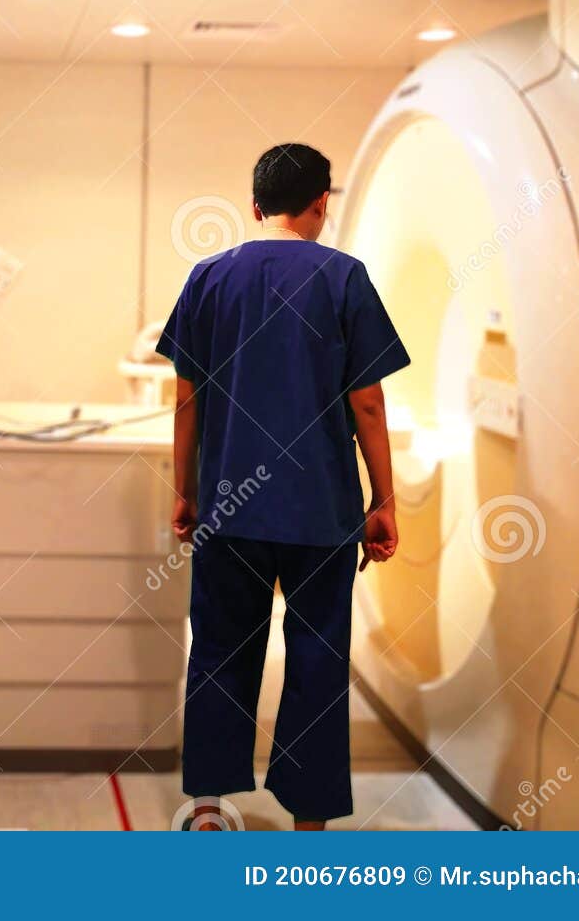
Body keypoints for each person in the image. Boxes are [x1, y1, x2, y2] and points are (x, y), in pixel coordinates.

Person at [155, 143, 408, 831]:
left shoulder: (209, 278)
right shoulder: (344, 277)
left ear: (254, 204)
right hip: (322, 513)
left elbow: (186, 401)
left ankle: (207, 806)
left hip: (229, 507)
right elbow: (368, 406)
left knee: (218, 650)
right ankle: (310, 820)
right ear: (321, 203)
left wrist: (186, 490)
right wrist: (382, 501)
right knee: (319, 659)